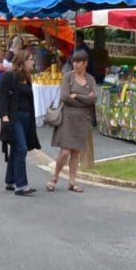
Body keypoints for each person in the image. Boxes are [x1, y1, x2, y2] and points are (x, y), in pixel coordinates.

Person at [48, 50, 98, 192]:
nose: (75, 64)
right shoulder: (68, 77)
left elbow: (94, 98)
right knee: (64, 152)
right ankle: (55, 177)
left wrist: (77, 96)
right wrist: (84, 100)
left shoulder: (90, 79)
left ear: (85, 63)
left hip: (83, 120)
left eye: (78, 62)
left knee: (75, 153)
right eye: (74, 62)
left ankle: (72, 182)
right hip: (67, 119)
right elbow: (64, 97)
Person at [0, 58, 40, 195]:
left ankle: (10, 180)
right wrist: (5, 116)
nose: (33, 62)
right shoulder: (10, 76)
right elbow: (2, 97)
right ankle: (21, 185)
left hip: (26, 118)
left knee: (16, 149)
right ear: (22, 61)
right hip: (14, 118)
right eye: (30, 59)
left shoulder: (27, 77)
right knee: (22, 148)